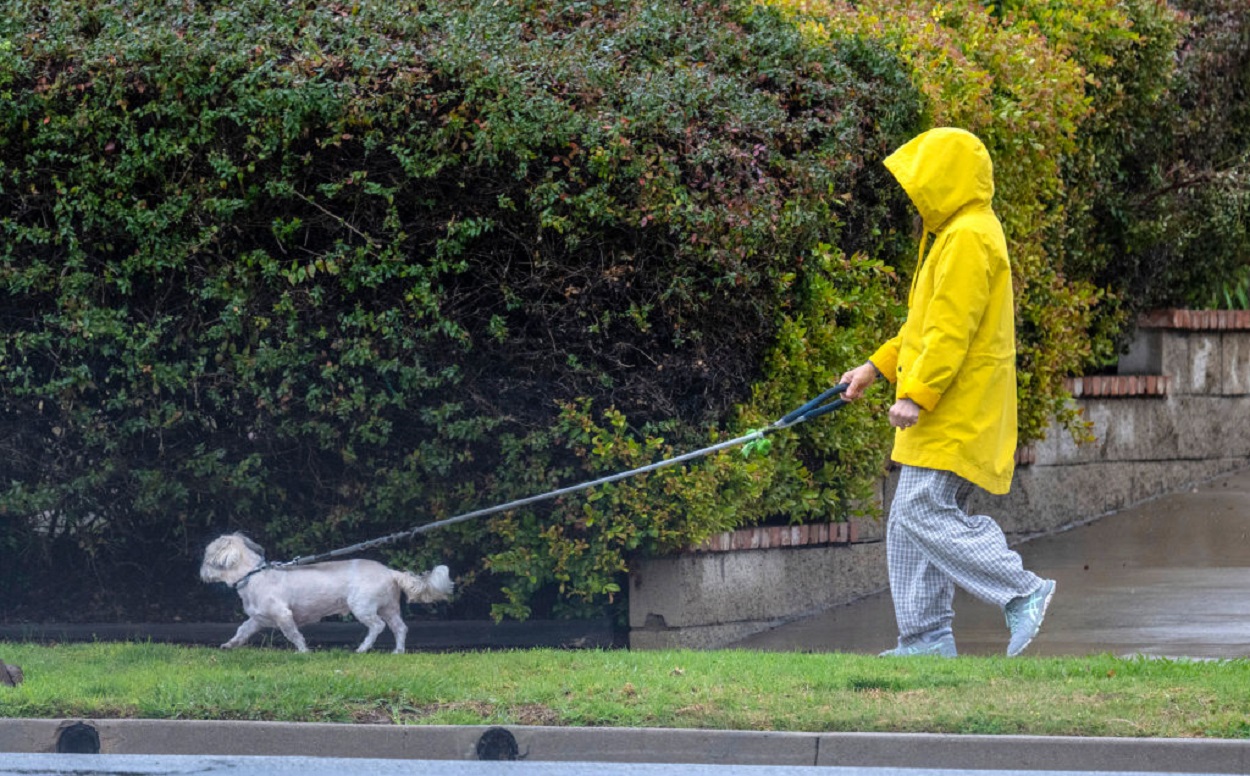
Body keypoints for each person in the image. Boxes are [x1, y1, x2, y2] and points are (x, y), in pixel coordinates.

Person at [839, 127, 1055, 658]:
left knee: (920, 510)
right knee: (908, 522)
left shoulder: (968, 237)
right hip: (946, 408)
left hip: (957, 410)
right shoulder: (955, 235)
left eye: (921, 183)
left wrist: (916, 395)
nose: (914, 196)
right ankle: (925, 640)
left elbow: (950, 331)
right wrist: (875, 367)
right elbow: (923, 327)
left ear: (945, 179)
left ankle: (1021, 590)